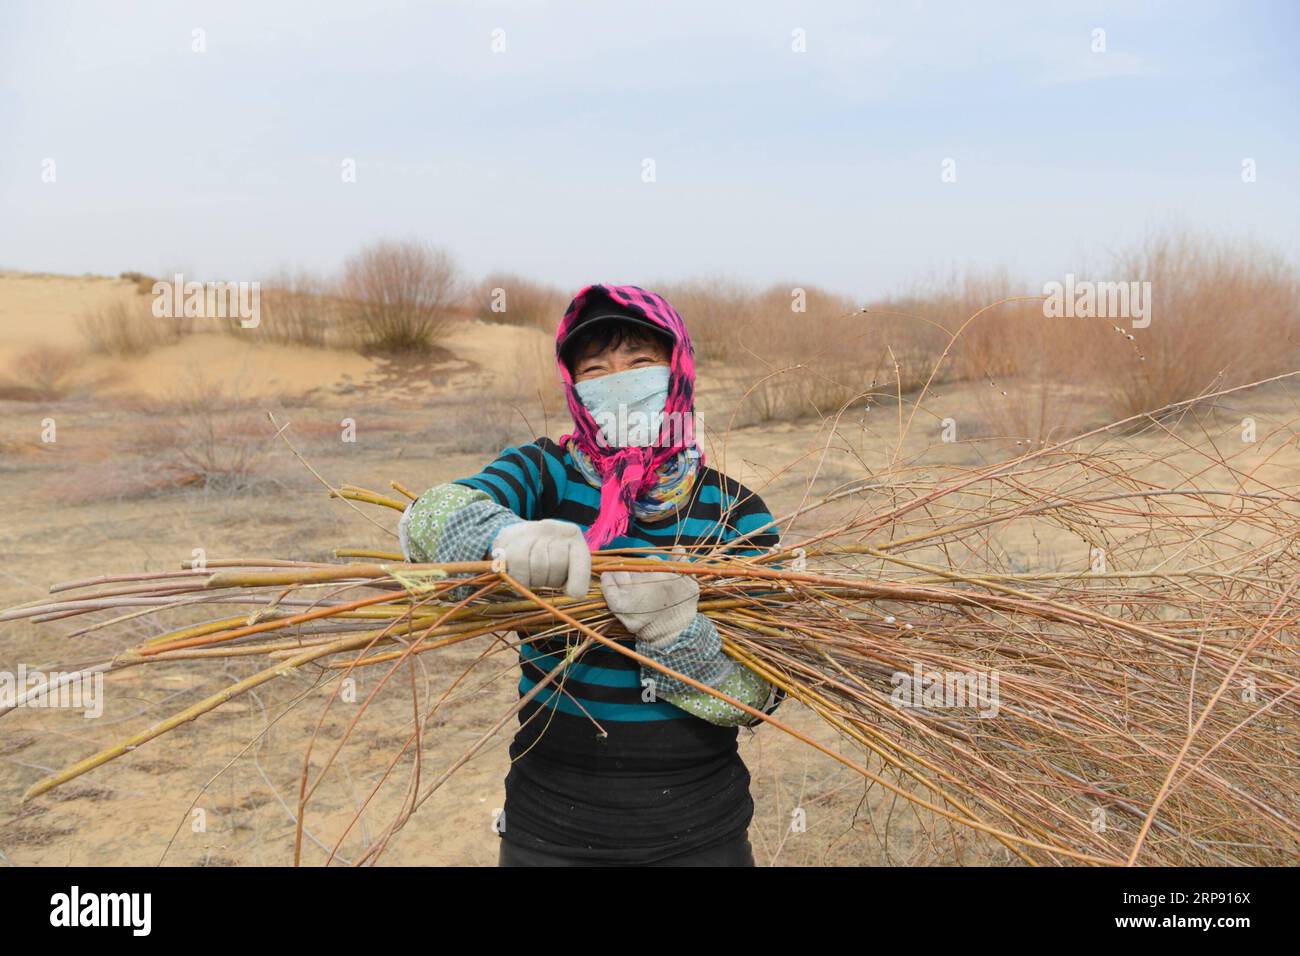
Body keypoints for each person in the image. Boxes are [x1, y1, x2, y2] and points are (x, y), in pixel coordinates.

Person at [398, 283, 785, 866]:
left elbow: (760, 696)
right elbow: (428, 520)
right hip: (550, 831)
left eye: (640, 362)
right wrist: (504, 538)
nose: (618, 381)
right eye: (597, 369)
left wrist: (682, 639)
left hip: (700, 834)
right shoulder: (545, 475)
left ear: (678, 369)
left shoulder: (737, 513)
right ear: (574, 386)